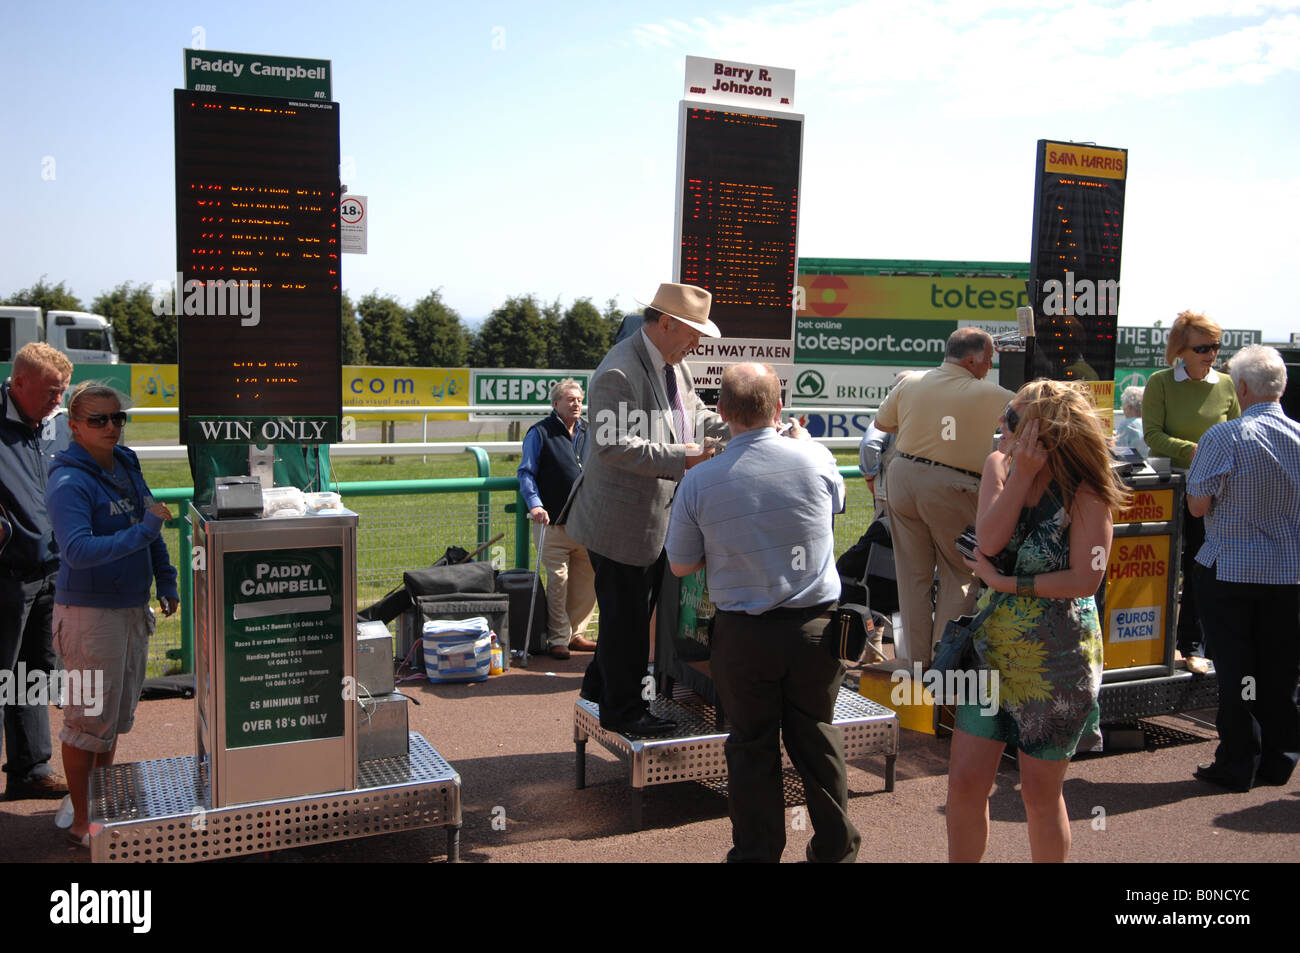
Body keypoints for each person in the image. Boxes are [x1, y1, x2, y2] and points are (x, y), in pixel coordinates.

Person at [666, 362, 859, 863]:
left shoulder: (700, 482)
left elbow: (682, 564)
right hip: (817, 630)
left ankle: (757, 853)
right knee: (816, 737)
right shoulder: (815, 459)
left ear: (722, 412)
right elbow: (834, 502)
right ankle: (836, 847)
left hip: (743, 635)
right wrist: (803, 443)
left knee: (751, 746)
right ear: (778, 407)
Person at [947, 379, 1127, 863]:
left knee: (1038, 795)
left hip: (1059, 658)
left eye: (1012, 419)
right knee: (963, 784)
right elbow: (987, 541)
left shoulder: (1085, 489)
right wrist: (1021, 475)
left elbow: (1085, 579)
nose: (1001, 427)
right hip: (990, 652)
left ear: (1043, 430)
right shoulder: (999, 466)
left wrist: (1008, 585)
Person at [564, 283, 728, 737]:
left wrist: (743, 424)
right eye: (693, 332)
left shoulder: (676, 366)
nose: (697, 343)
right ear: (667, 323)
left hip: (649, 522)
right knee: (629, 625)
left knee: (628, 618)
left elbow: (695, 418)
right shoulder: (618, 371)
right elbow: (613, 446)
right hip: (620, 525)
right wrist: (685, 458)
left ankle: (600, 689)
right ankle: (625, 713)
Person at [45, 382, 179, 846]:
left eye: (117, 418)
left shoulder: (126, 462)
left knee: (111, 719)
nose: (111, 427)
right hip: (88, 616)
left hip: (128, 609)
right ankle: (83, 820)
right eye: (98, 420)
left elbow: (151, 515)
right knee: (86, 723)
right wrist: (145, 532)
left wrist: (165, 576)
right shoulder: (67, 480)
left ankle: (95, 803)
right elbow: (77, 551)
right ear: (75, 426)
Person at [1185, 345, 1299, 791]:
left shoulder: (1224, 437)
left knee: (1238, 672)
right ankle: (1280, 758)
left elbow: (1197, 507)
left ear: (1243, 387)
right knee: (1282, 669)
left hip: (1231, 568)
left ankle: (1238, 762)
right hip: (1288, 573)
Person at [872, 329, 1012, 663]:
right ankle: (942, 666)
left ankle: (918, 667)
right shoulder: (991, 393)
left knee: (913, 578)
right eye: (989, 358)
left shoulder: (910, 383)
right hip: (954, 485)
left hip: (902, 477)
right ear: (972, 359)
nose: (990, 365)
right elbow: (1030, 418)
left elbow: (883, 422)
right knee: (961, 572)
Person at [1142, 311, 1240, 675]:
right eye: (1203, 347)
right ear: (1180, 350)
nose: (1211, 353)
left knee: (1201, 568)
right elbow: (1152, 435)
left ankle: (1192, 644)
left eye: (1215, 346)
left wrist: (1214, 456)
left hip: (1213, 492)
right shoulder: (1160, 382)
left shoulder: (1227, 385)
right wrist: (1198, 450)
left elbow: (1237, 432)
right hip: (1167, 489)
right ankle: (1154, 644)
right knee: (1163, 567)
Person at [0, 342, 73, 801]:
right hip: (4, 572)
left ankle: (30, 769)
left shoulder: (58, 423)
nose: (57, 401)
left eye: (62, 391)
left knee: (32, 673)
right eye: (50, 391)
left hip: (52, 568)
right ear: (18, 382)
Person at [517, 378, 596, 660]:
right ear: (556, 404)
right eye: (570, 399)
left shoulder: (590, 430)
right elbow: (525, 472)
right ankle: (558, 637)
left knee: (587, 581)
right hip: (551, 524)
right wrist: (535, 505)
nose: (576, 404)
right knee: (559, 580)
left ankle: (576, 634)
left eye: (578, 399)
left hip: (586, 523)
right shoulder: (540, 432)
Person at [1114, 385, 1149, 456]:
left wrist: (1111, 443)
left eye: (1123, 407)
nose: (1123, 410)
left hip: (1135, 464)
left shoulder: (1127, 424)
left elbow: (1119, 452)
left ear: (1129, 407)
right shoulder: (1149, 422)